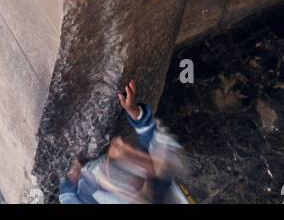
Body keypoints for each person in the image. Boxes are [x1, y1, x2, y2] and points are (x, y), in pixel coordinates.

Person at [59, 80, 188, 206]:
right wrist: (135, 112)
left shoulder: (87, 192)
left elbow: (67, 196)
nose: (120, 143)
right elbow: (153, 139)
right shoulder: (165, 174)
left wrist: (71, 175)